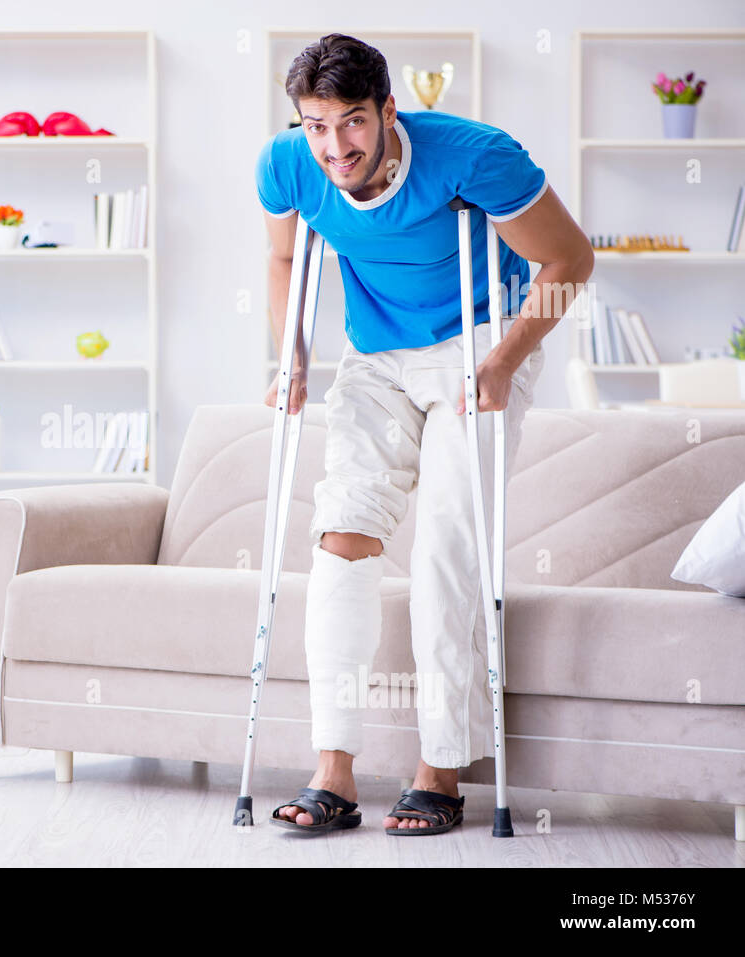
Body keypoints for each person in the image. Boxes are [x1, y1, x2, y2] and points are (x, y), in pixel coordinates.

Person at [254, 34, 593, 834]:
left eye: (352, 121)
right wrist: (291, 353)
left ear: (388, 110)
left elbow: (570, 261)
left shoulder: (474, 156)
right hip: (375, 356)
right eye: (316, 126)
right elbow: (284, 259)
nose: (335, 147)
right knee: (341, 535)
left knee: (444, 547)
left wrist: (505, 361)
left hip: (478, 347)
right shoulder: (287, 163)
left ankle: (439, 767)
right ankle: (333, 770)